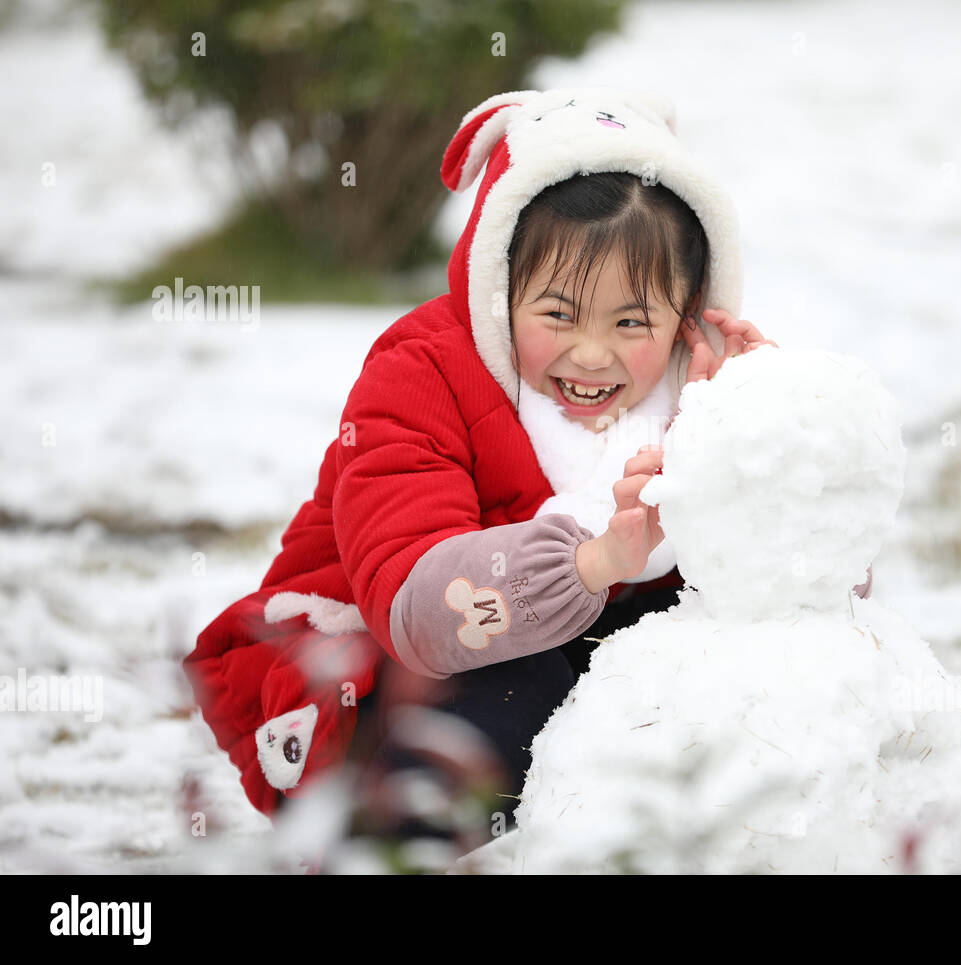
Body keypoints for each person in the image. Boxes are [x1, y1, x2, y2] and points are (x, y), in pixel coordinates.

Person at [183, 88, 777, 843]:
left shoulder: (693, 385)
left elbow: (810, 589)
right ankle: (392, 845)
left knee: (701, 654)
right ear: (498, 290)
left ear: (687, 309)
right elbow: (417, 614)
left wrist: (768, 439)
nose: (592, 354)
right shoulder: (417, 376)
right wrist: (591, 560)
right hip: (369, 671)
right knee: (518, 688)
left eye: (632, 321)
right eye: (557, 313)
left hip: (559, 642)